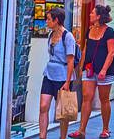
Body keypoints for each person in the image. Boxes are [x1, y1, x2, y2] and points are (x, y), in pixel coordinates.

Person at [72, 5, 114, 139]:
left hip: (105, 71)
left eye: (92, 13)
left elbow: (111, 52)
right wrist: (81, 67)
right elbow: (85, 49)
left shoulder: (109, 32)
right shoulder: (90, 30)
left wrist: (103, 69)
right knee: (86, 98)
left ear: (98, 16)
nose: (90, 15)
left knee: (104, 99)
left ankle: (105, 129)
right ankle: (81, 130)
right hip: (89, 69)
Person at [39, 8, 76, 139]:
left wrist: (67, 81)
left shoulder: (68, 36)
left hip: (63, 76)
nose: (46, 22)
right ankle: (42, 136)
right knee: (43, 106)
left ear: (57, 20)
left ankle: (62, 137)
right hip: (49, 74)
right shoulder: (51, 35)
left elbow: (71, 60)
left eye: (49, 19)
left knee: (63, 112)